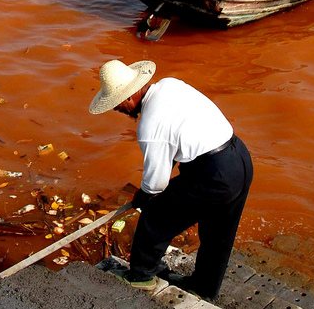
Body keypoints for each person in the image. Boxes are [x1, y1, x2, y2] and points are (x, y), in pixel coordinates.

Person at [89, 58, 253, 301]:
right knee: (219, 235)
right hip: (239, 158)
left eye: (117, 106)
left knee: (155, 216)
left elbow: (156, 183)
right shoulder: (169, 85)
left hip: (213, 174)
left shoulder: (149, 126)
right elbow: (176, 139)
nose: (118, 111)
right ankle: (205, 288)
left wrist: (142, 198)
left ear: (128, 99)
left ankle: (141, 277)